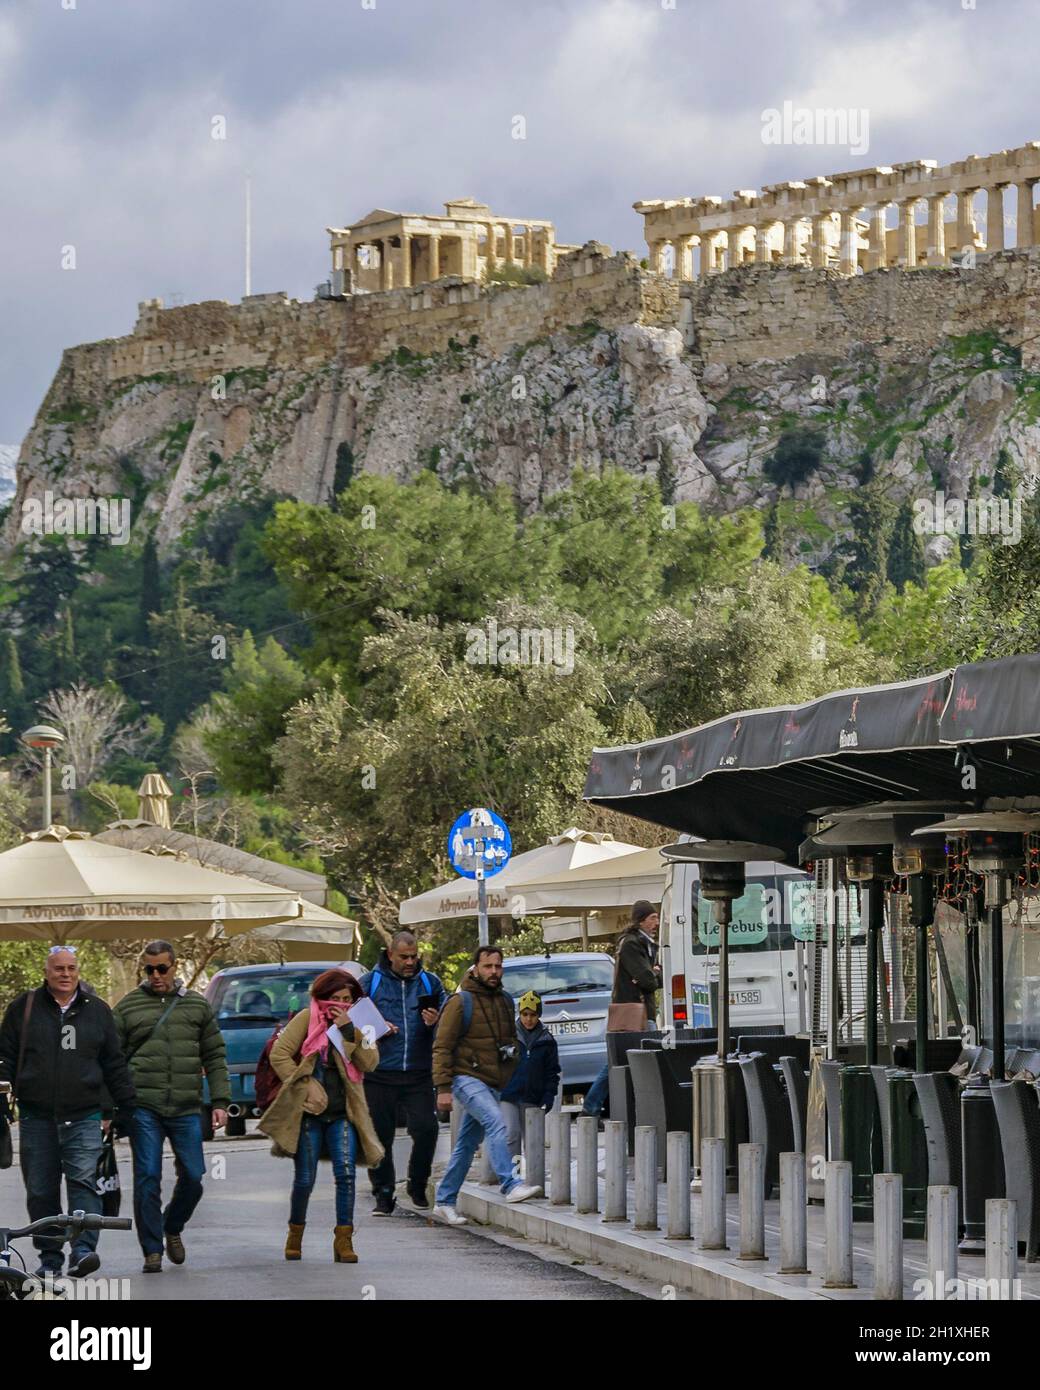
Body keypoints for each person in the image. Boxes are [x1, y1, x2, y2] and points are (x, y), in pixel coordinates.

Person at [0, 945, 136, 1280]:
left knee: (82, 1184)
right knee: (41, 1190)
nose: (66, 974)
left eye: (71, 968)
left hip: (84, 1115)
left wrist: (126, 1106)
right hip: (36, 1116)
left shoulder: (97, 1010)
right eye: (59, 968)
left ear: (79, 971)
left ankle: (83, 1251)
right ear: (46, 972)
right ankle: (49, 1258)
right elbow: (4, 1055)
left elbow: (113, 1063)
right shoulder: (24, 1007)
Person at [113, 940, 230, 1274]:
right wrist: (111, 1109)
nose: (155, 975)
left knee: (193, 1176)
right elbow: (111, 1060)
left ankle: (172, 1225)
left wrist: (221, 1101)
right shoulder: (127, 1008)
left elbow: (215, 1055)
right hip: (143, 1106)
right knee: (147, 1176)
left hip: (186, 1105)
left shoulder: (196, 1006)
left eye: (161, 968)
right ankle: (152, 1250)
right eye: (149, 969)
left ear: (174, 967)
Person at [258, 968, 383, 1264]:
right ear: (322, 998)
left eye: (347, 999)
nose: (341, 1004)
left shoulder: (358, 1021)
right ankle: (295, 1233)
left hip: (343, 1112)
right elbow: (279, 1055)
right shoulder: (306, 1018)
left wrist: (348, 1030)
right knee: (305, 1178)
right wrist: (304, 1083)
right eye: (335, 998)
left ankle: (344, 1241)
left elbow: (370, 1062)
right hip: (309, 1114)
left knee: (347, 1175)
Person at [431, 945, 543, 1226]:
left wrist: (510, 1067)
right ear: (475, 968)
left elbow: (509, 1042)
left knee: (466, 1145)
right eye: (488, 966)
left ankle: (444, 1201)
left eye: (498, 966)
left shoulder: (505, 1000)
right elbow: (442, 1046)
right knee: (496, 1122)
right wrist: (443, 1088)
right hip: (464, 1077)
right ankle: (509, 1183)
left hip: (492, 1081)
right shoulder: (460, 1002)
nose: (493, 972)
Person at [360, 929, 447, 1214]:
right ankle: (383, 1194)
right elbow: (349, 1025)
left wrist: (435, 1023)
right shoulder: (369, 983)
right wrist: (377, 1028)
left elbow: (447, 1029)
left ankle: (417, 1184)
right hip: (378, 1073)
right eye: (404, 957)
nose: (410, 962)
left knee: (426, 1129)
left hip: (418, 1072)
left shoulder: (430, 983)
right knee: (379, 1137)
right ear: (390, 955)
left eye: (414, 956)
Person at [582, 901, 662, 1119]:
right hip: (634, 1013)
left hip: (642, 1011)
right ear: (641, 920)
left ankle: (593, 1107)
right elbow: (649, 980)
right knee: (620, 1061)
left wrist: (652, 974)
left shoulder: (645, 944)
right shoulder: (631, 944)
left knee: (621, 1061)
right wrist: (652, 974)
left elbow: (652, 978)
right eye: (652, 918)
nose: (656, 922)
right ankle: (591, 1107)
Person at [500, 990, 560, 1161]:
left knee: (533, 1141)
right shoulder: (508, 1035)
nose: (528, 1019)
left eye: (533, 1015)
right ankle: (514, 1177)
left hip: (533, 1097)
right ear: (520, 1013)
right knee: (511, 1134)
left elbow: (552, 1072)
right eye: (525, 1014)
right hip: (509, 1094)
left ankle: (533, 1178)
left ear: (539, 1015)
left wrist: (549, 1096)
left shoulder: (547, 1041)